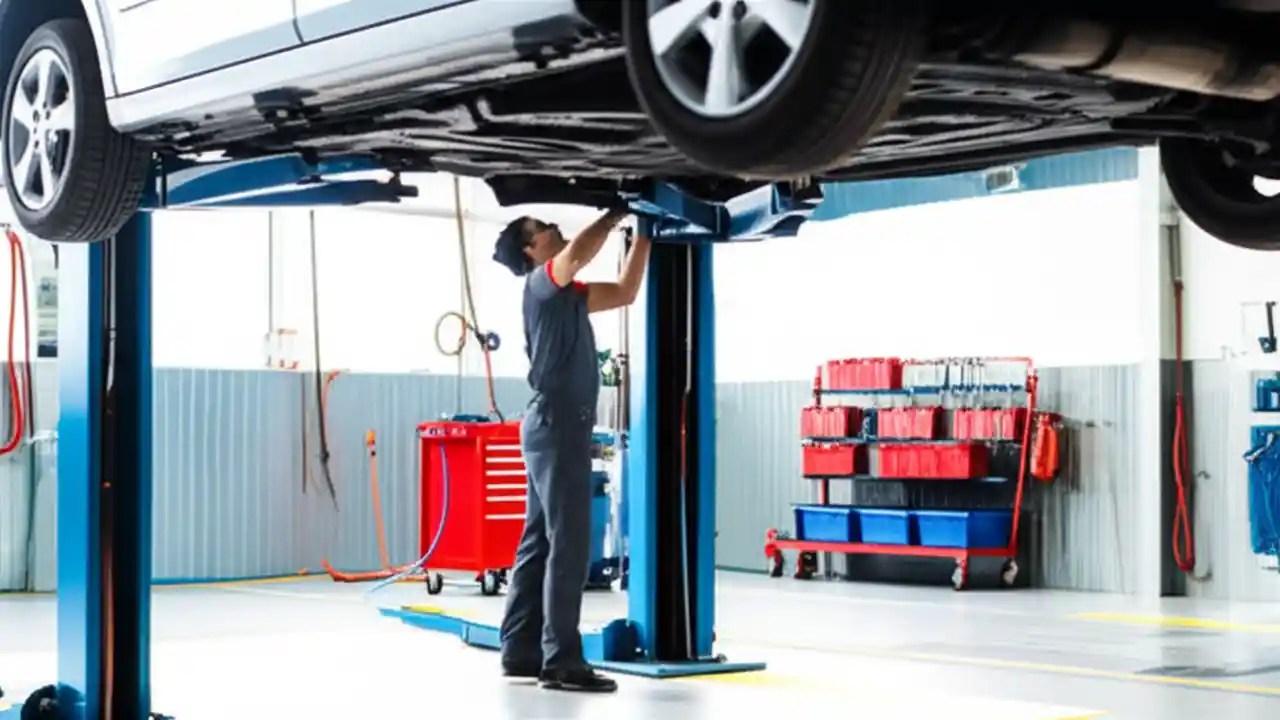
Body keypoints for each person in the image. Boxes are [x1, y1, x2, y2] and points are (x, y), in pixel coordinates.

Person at [491, 206, 651, 693]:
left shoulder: (570, 297)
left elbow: (624, 291)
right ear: (530, 249)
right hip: (557, 423)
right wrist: (617, 210)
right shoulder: (543, 283)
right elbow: (578, 254)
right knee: (570, 542)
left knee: (540, 540)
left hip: (554, 425)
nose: (552, 229)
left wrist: (645, 232)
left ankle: (520, 649)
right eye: (541, 229)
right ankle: (561, 660)